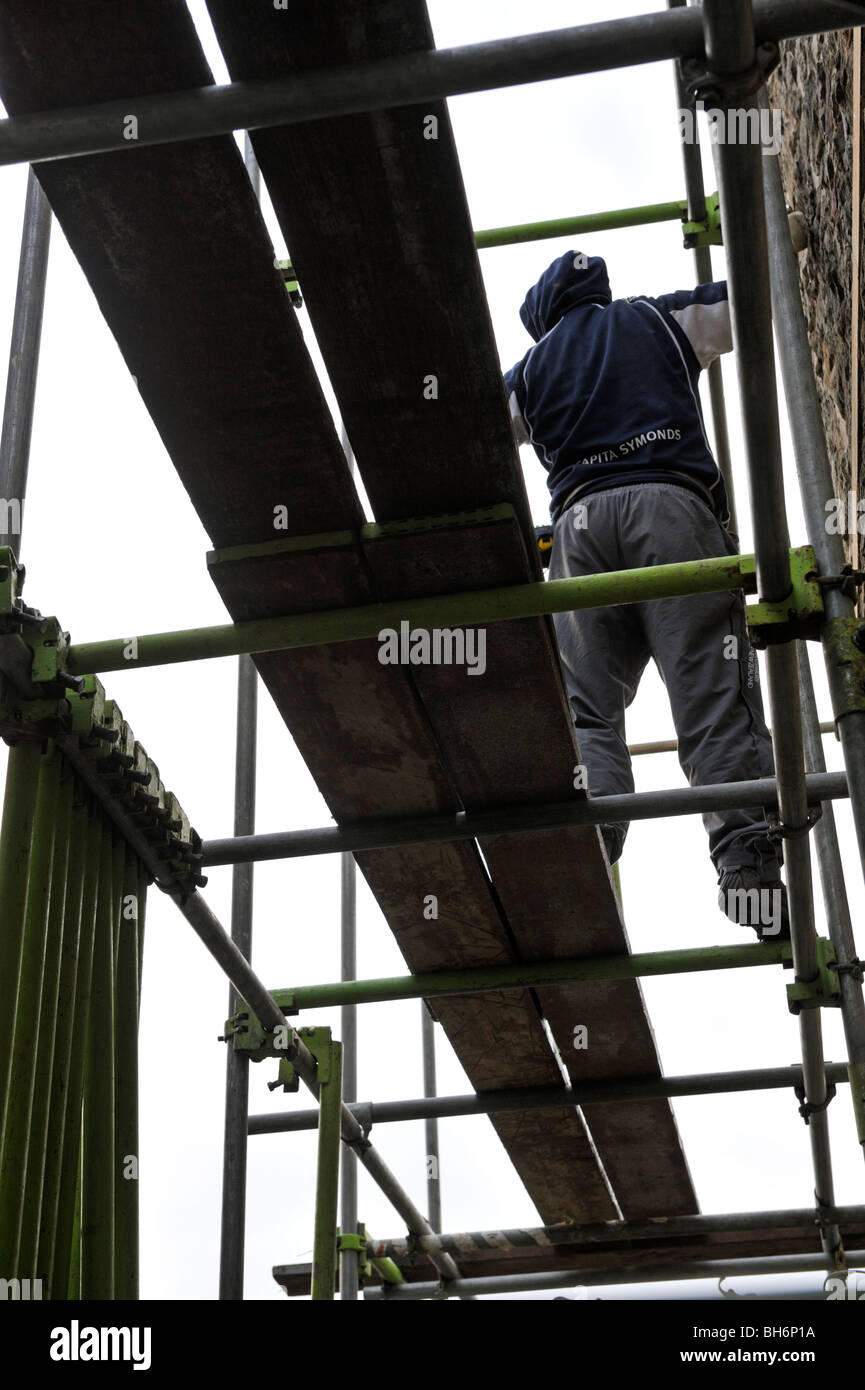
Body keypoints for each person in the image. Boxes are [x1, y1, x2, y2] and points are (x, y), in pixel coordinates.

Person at [504, 250, 788, 939]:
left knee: (586, 709)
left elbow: (466, 438)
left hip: (577, 532)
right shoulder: (654, 319)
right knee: (708, 691)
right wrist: (790, 240)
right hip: (670, 511)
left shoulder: (530, 372)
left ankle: (590, 842)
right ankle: (744, 861)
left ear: (540, 318)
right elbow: (748, 295)